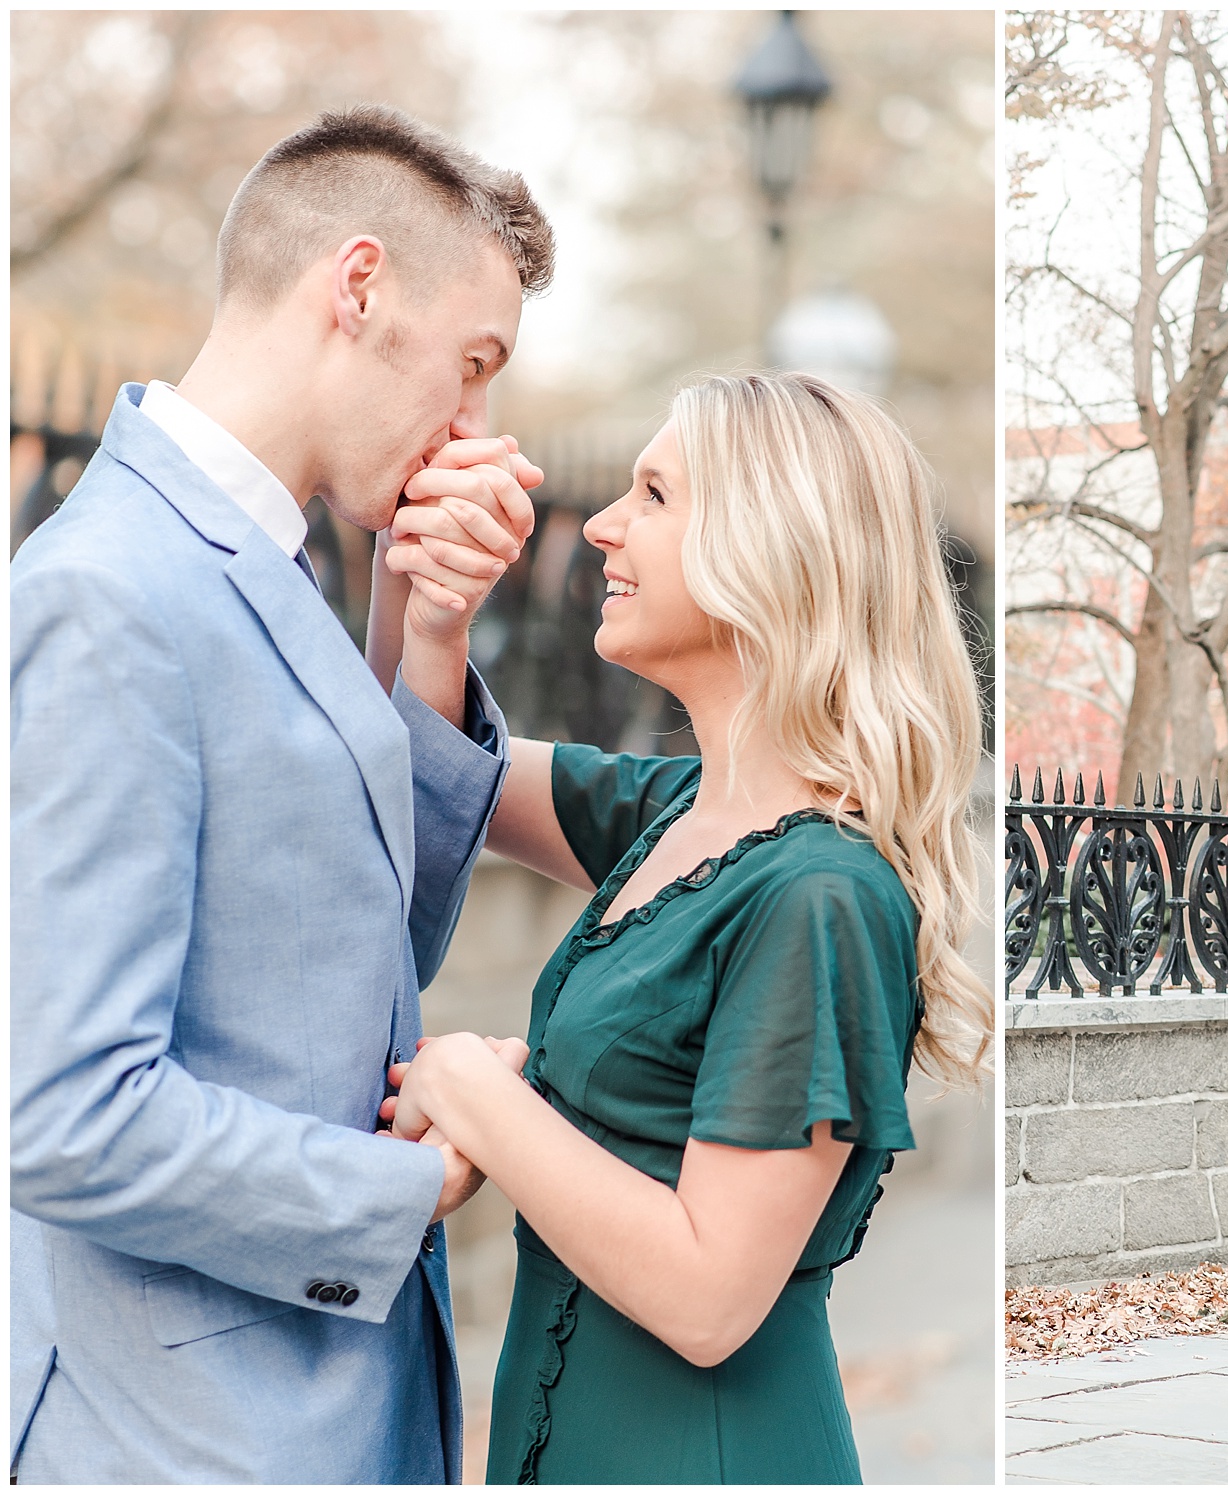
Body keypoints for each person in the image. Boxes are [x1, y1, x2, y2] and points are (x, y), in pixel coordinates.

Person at [10, 106, 552, 1482]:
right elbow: (68, 1116)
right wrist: (409, 1184)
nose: (475, 425)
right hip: (186, 1439)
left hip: (318, 1410)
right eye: (471, 365)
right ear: (358, 288)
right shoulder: (106, 593)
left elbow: (360, 953)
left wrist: (426, 636)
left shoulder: (274, 562)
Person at [368, 370, 991, 1483]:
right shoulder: (672, 815)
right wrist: (431, 610)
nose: (603, 525)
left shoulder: (820, 893)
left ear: (771, 549)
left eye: (652, 494)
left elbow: (709, 1298)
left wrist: (477, 1095)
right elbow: (420, 778)